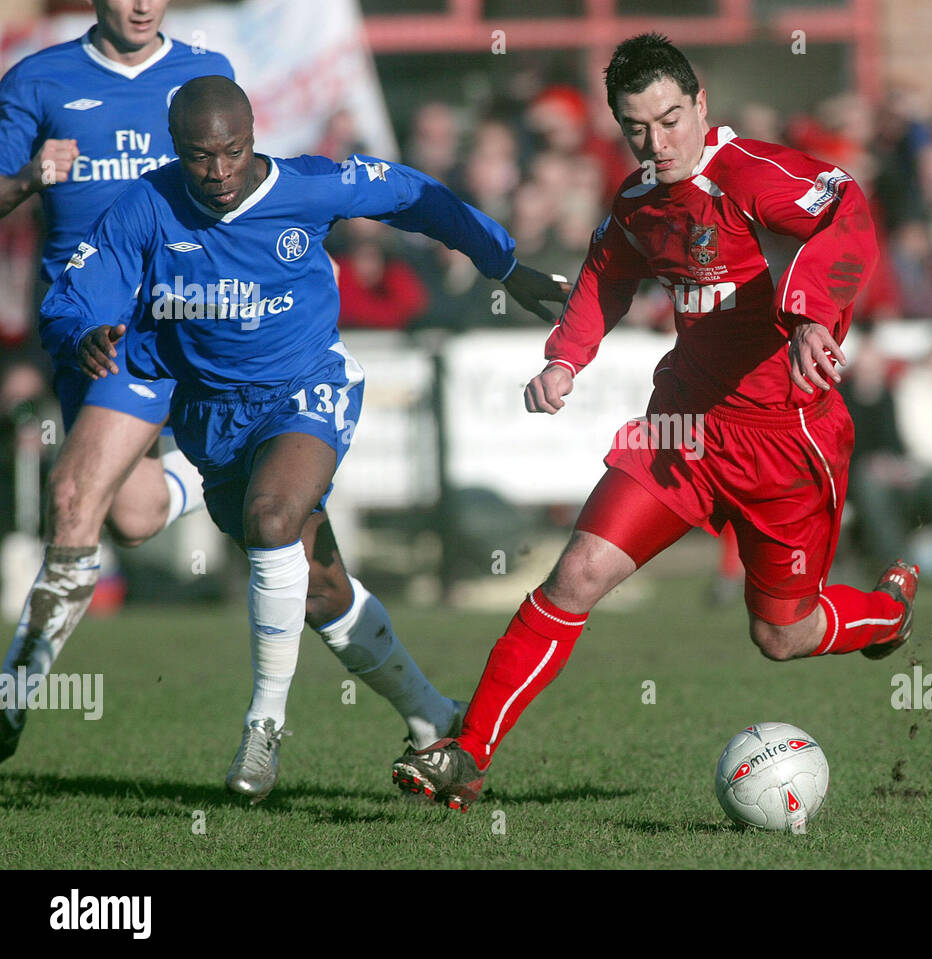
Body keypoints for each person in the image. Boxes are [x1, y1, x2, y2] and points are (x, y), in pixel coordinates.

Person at [392, 33, 919, 811]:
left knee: (782, 635)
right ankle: (466, 756)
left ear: (701, 103)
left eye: (671, 119)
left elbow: (847, 209)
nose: (658, 142)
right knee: (576, 574)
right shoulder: (639, 201)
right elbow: (606, 275)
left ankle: (886, 614)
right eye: (637, 128)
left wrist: (812, 316)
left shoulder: (752, 175)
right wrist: (565, 360)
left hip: (786, 440)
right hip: (682, 435)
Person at [40, 75, 569, 800]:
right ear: (176, 150)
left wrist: (503, 262)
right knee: (319, 588)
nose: (219, 171)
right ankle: (431, 712)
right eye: (200, 156)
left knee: (273, 519)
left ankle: (264, 726)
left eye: (233, 151)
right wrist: (83, 336)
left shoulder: (311, 187)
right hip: (210, 420)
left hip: (307, 388)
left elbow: (420, 198)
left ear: (254, 139)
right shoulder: (144, 208)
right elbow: (75, 294)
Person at [0, 0, 232, 764]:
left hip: (164, 328)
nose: (141, 4)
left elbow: (238, 199)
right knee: (131, 514)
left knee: (71, 499)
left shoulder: (205, 76)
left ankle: (13, 694)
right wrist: (32, 176)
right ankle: (212, 474)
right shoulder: (39, 80)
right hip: (80, 332)